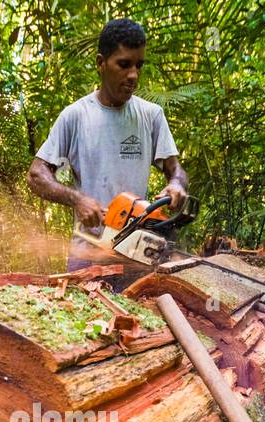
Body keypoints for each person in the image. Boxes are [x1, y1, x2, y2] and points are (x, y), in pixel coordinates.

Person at [27, 17, 189, 272]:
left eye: (138, 65)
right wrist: (77, 200)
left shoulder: (151, 115)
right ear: (101, 64)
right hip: (87, 253)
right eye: (123, 65)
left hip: (137, 254)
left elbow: (175, 169)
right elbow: (37, 175)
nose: (133, 75)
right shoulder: (76, 116)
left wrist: (176, 184)